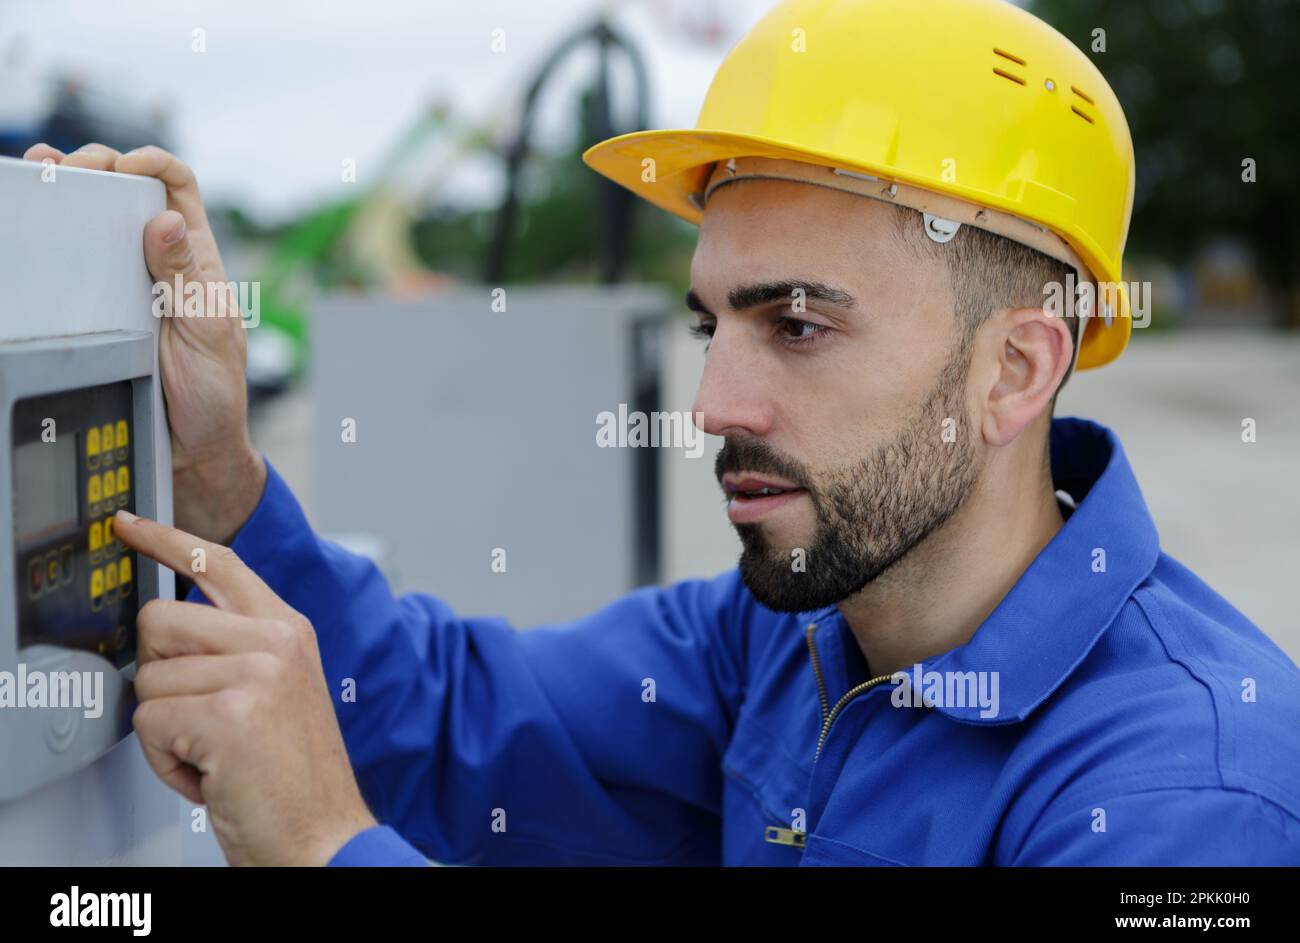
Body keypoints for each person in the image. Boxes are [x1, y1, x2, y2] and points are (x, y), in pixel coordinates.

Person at [24, 0, 1300, 866]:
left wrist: (327, 846)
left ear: (1016, 365)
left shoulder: (1183, 801)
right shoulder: (791, 638)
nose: (712, 407)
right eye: (710, 327)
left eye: (796, 325)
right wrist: (218, 467)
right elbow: (458, 716)